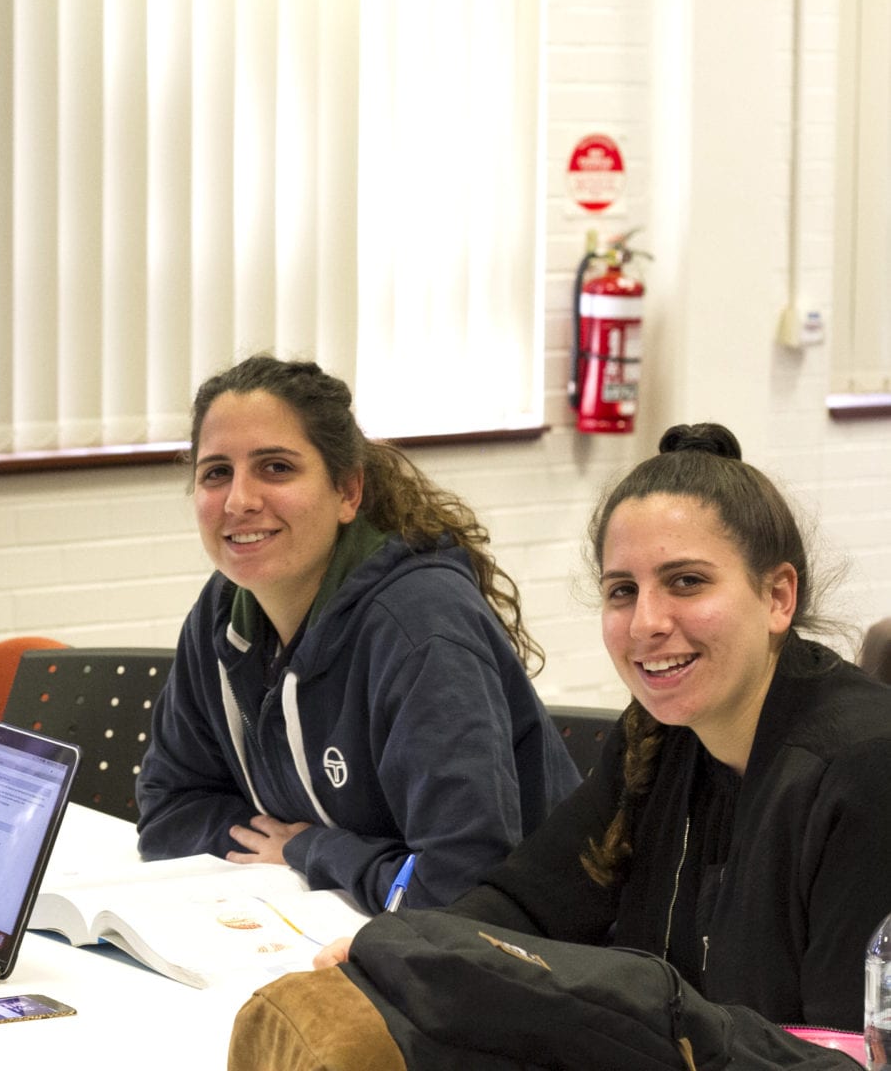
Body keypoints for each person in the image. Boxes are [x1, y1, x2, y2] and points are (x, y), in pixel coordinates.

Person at [311, 422, 891, 1031]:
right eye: (622, 590)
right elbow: (530, 904)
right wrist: (403, 946)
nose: (645, 622)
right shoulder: (658, 737)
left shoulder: (865, 771)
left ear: (777, 597)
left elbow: (846, 1050)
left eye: (686, 582)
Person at [135, 354, 581, 913]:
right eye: (216, 472)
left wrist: (313, 851)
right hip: (334, 926)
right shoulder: (224, 611)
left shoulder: (421, 625)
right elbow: (168, 814)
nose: (239, 500)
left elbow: (462, 887)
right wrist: (287, 855)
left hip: (524, 961)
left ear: (347, 492)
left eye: (276, 468)